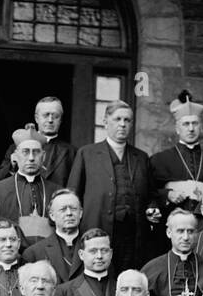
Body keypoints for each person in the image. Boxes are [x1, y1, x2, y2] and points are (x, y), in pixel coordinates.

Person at [66, 100, 154, 273]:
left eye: (127, 120)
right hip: (98, 230)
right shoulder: (87, 154)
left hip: (132, 236)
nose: (122, 124)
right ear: (105, 121)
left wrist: (153, 207)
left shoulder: (141, 157)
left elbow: (151, 195)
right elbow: (72, 196)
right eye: (117, 119)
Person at [149, 91, 203, 225]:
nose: (191, 129)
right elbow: (148, 192)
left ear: (201, 127)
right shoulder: (159, 160)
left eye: (195, 124)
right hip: (169, 226)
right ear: (177, 129)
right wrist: (167, 194)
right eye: (186, 124)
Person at [141, 208, 203, 296]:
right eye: (180, 231)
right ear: (169, 233)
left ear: (197, 234)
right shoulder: (151, 268)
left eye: (190, 231)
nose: (186, 237)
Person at [49, 227, 115, 296]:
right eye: (93, 251)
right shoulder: (64, 291)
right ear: (81, 254)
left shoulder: (121, 288)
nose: (99, 256)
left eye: (104, 250)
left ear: (111, 253)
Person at [0, 97, 74, 188]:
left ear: (61, 119)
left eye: (55, 116)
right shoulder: (16, 147)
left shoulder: (71, 152)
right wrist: (12, 166)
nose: (50, 120)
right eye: (46, 115)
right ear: (36, 118)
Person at [0, 126, 54, 238]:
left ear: (43, 156)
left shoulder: (56, 192)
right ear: (15, 156)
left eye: (36, 152)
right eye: (25, 152)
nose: (31, 158)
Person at [21, 189, 86, 283]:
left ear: (80, 213)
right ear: (52, 215)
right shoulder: (34, 253)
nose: (69, 213)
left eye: (73, 209)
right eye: (63, 210)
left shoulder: (95, 248)